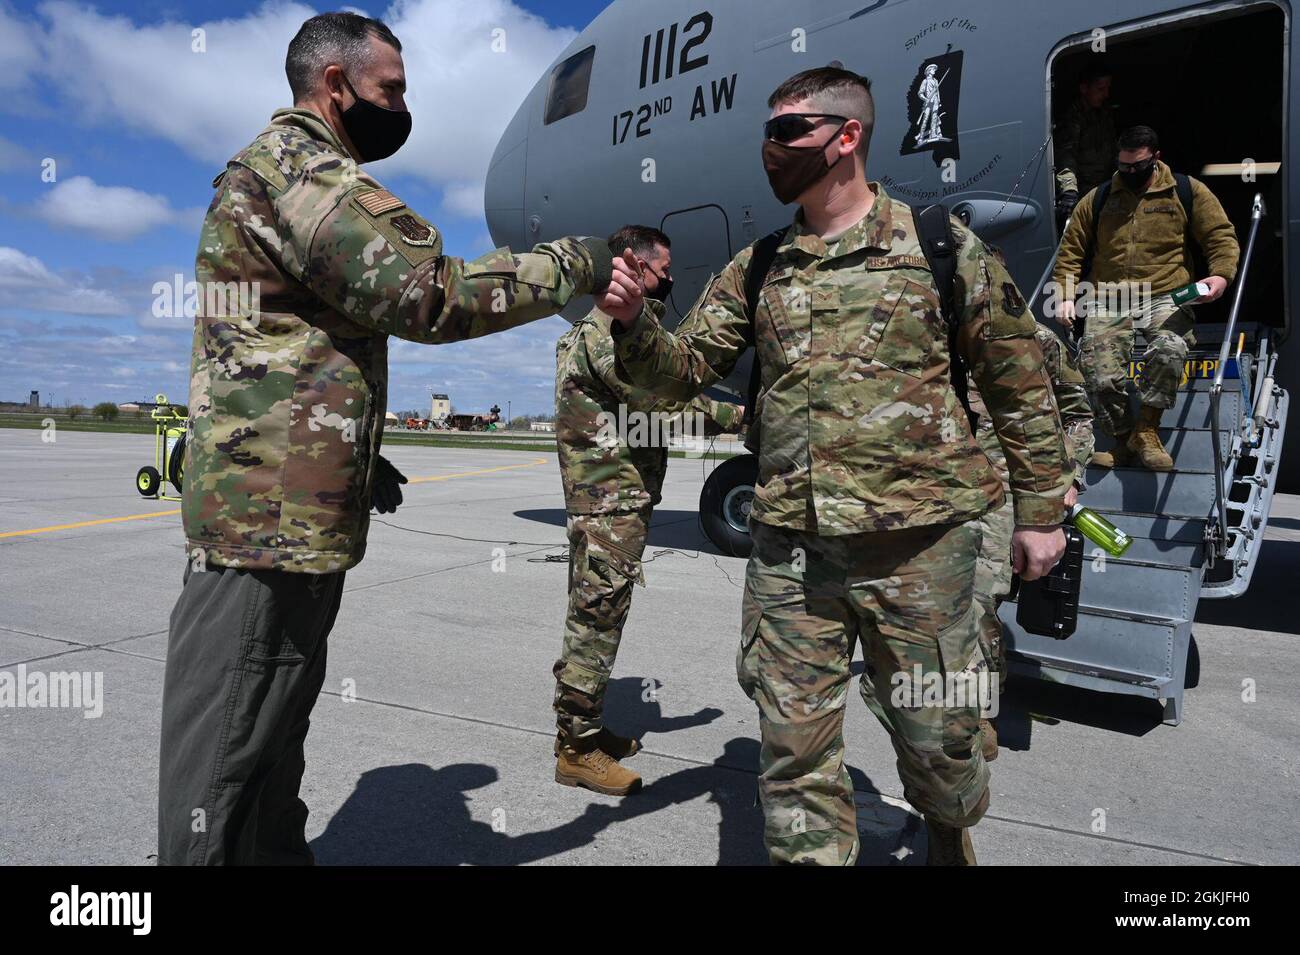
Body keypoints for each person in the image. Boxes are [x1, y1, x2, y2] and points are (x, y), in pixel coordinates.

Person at [158, 11, 626, 865]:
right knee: (226, 760)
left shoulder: (284, 173)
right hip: (266, 530)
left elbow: (279, 351)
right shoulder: (305, 170)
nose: (402, 108)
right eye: (391, 90)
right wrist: (581, 262)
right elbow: (427, 295)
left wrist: (349, 448)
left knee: (265, 745)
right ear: (335, 85)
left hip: (284, 509)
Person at [601, 67, 1071, 865]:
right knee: (791, 748)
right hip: (791, 550)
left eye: (788, 132)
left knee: (939, 742)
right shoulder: (759, 267)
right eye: (768, 131)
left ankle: (949, 832)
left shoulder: (938, 246)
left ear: (845, 136)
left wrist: (1041, 515)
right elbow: (677, 371)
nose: (770, 147)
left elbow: (1019, 384)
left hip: (919, 548)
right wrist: (633, 323)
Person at [552, 225, 743, 796]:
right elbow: (663, 400)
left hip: (612, 498)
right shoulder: (610, 335)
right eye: (663, 273)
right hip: (610, 500)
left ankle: (589, 727)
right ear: (633, 263)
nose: (667, 284)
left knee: (598, 613)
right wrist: (742, 419)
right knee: (595, 621)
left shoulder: (606, 330)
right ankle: (575, 749)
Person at [1054, 125, 1240, 470]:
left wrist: (1220, 274)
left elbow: (1219, 235)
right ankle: (1125, 439)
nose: (1129, 173)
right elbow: (1071, 252)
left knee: (1170, 349)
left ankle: (1148, 428)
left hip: (1165, 292)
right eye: (1123, 166)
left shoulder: (1186, 191)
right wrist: (1065, 295)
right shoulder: (1098, 198)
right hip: (1110, 295)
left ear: (1155, 158)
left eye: (1137, 167)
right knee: (1098, 373)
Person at [970, 319, 1094, 758]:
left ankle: (978, 715)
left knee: (979, 599)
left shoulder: (1036, 338)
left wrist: (1069, 475)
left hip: (1005, 489)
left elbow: (1077, 414)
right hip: (936, 489)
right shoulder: (928, 327)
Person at [1054, 61, 1117, 226]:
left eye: (1108, 88)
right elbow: (1066, 156)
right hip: (1084, 191)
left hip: (1106, 186)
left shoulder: (1105, 112)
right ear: (1084, 89)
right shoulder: (1073, 117)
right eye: (1100, 89)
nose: (1106, 94)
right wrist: (1069, 192)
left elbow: (1113, 150)